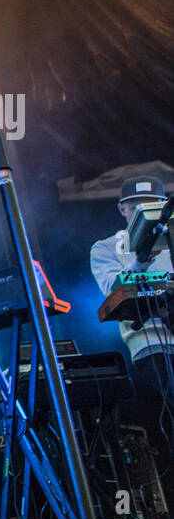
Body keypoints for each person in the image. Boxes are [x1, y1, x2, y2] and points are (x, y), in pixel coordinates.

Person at [89, 175, 173, 458]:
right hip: (151, 346)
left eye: (151, 205)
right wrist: (139, 263)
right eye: (135, 205)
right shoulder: (104, 248)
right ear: (122, 209)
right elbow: (113, 291)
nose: (141, 211)